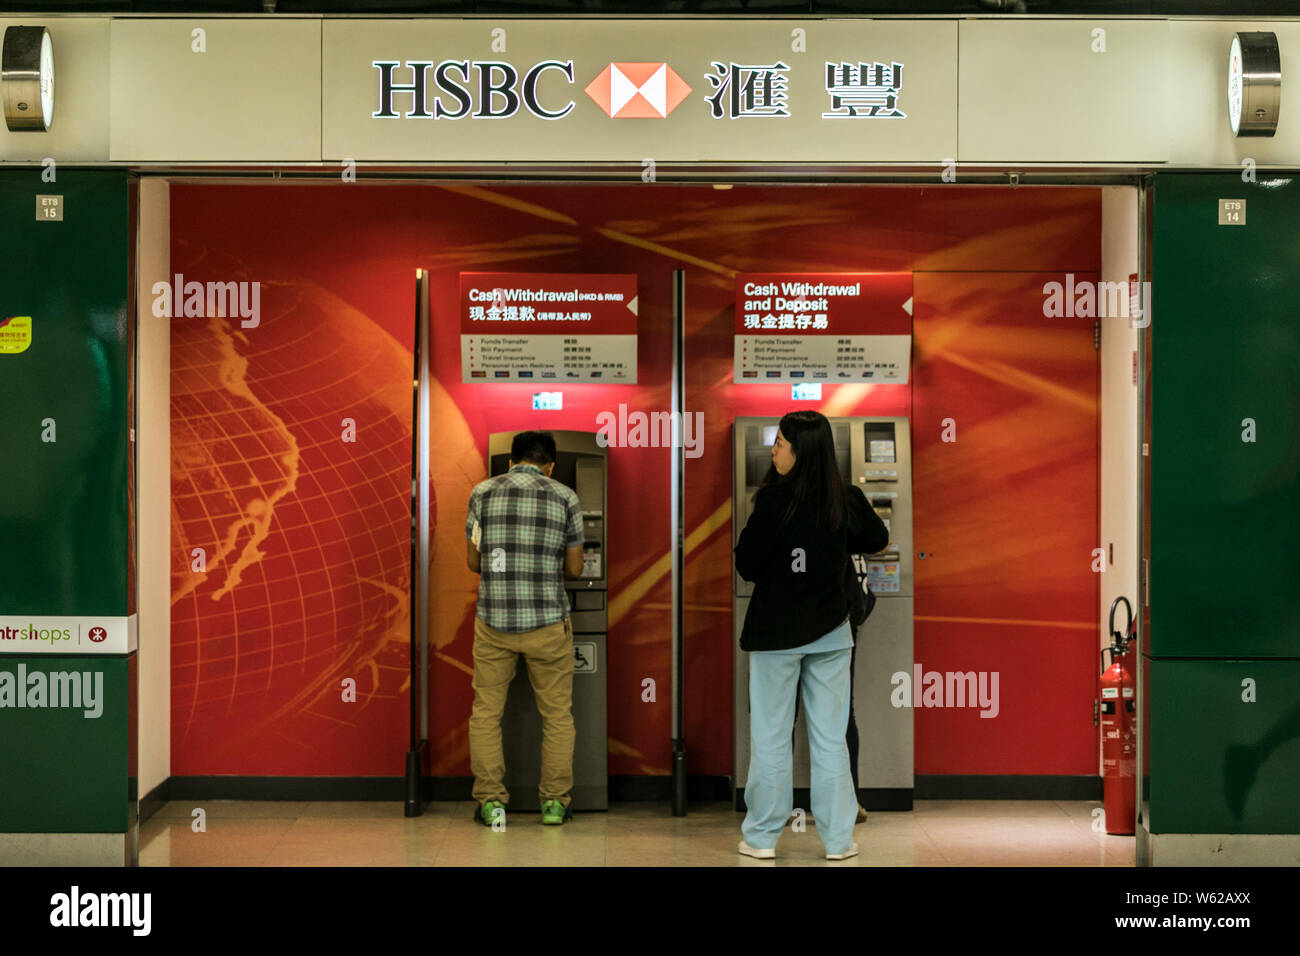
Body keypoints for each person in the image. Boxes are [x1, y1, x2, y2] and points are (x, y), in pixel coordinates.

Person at [734, 411, 889, 860]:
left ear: (800, 452)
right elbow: (878, 537)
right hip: (830, 635)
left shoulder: (772, 502)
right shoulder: (846, 498)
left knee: (771, 737)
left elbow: (747, 565)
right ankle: (838, 841)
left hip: (774, 637)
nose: (773, 450)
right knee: (829, 738)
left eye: (780, 443)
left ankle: (763, 838)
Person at [465, 430, 585, 826]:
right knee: (557, 716)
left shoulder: (482, 493)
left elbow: (474, 561)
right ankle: (553, 804)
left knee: (485, 714)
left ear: (511, 461)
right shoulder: (566, 497)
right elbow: (575, 568)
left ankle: (492, 803)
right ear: (550, 464)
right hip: (548, 623)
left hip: (494, 621)